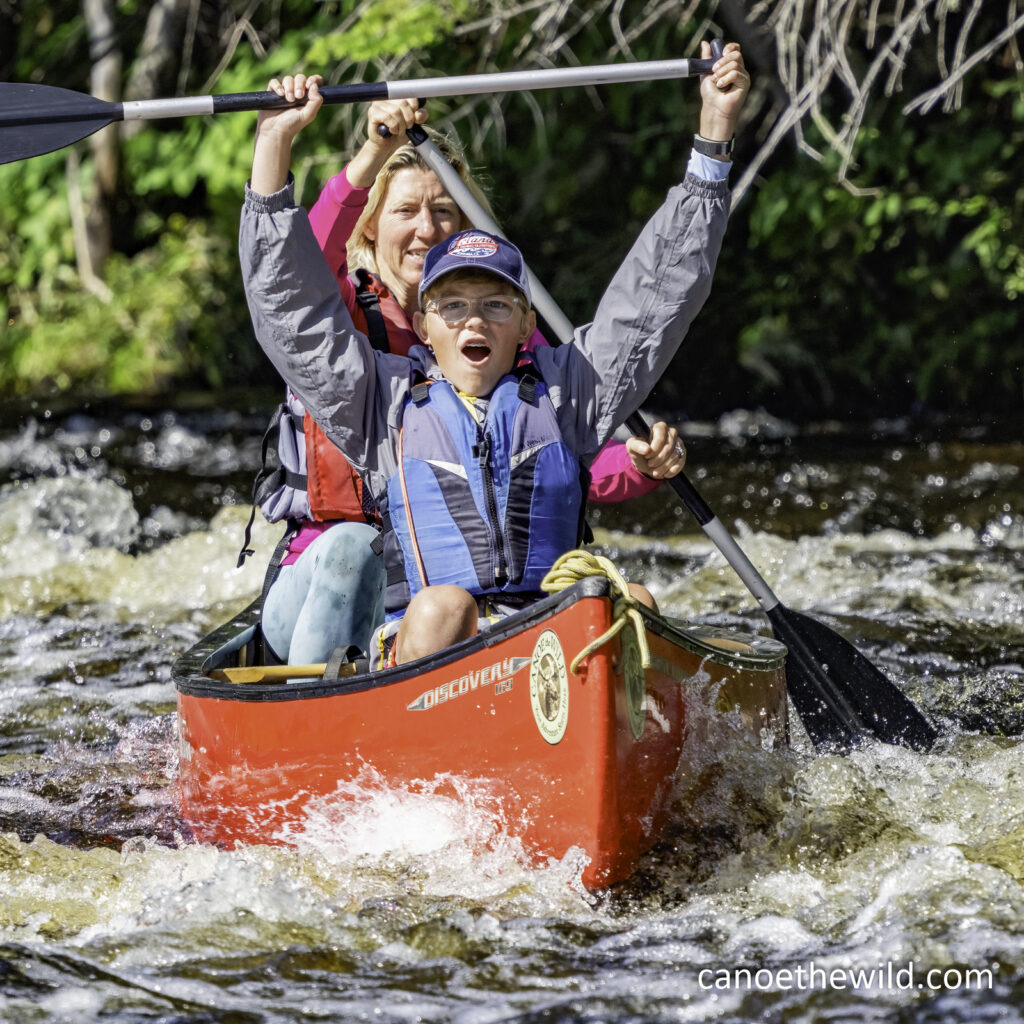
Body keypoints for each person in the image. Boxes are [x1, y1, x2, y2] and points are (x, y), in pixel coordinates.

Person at [242, 41, 748, 666]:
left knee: (629, 599)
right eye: (453, 306)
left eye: (495, 305)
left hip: (537, 632)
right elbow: (290, 304)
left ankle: (620, 747)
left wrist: (714, 138)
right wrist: (274, 146)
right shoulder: (382, 402)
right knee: (442, 605)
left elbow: (656, 295)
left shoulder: (565, 387)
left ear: (525, 321)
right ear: (426, 327)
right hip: (426, 637)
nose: (473, 320)